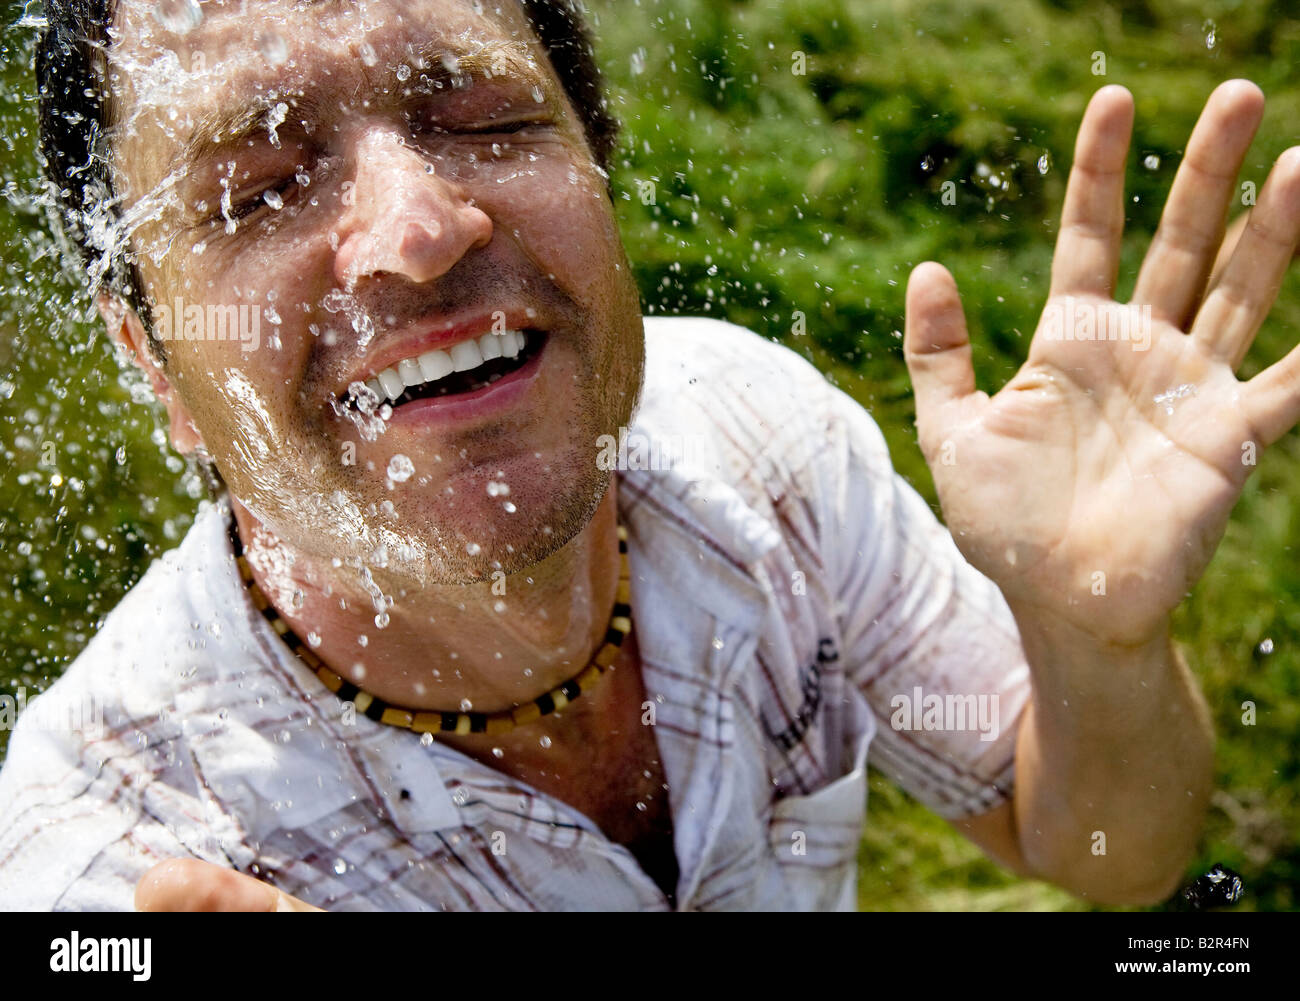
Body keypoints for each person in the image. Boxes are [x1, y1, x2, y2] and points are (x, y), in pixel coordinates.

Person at [1, 0, 1297, 912]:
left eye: (482, 116)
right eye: (264, 186)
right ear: (156, 364)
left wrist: (1090, 645)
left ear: (601, 174)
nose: (420, 227)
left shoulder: (761, 440)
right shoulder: (115, 848)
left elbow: (1106, 852)